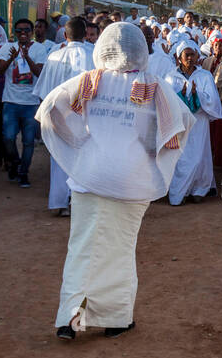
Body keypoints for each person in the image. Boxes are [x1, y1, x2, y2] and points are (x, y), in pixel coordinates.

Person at [38, 23, 193, 340]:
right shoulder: (153, 85)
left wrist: (80, 143)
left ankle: (70, 319)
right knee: (119, 250)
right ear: (141, 50)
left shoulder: (90, 80)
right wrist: (151, 150)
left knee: (81, 248)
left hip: (90, 175)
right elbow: (182, 123)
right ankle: (115, 318)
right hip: (131, 181)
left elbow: (51, 108)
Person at [35, 16, 95, 216]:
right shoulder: (94, 55)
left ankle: (60, 202)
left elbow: (43, 92)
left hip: (58, 115)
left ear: (65, 35)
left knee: (59, 158)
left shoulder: (54, 55)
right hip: (86, 115)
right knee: (84, 157)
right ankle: (79, 202)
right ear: (86, 34)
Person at [163, 40, 222, 205]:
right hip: (179, 123)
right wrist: (180, 96)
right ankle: (179, 192)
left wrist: (199, 96)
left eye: (193, 55)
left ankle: (199, 188)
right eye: (186, 55)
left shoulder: (205, 75)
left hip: (198, 122)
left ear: (198, 56)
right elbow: (166, 101)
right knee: (180, 158)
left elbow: (213, 101)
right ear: (179, 57)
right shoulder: (170, 76)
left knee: (198, 156)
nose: (190, 58)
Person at [0, 18, 47, 188]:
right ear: (15, 33)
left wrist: (27, 56)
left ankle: (23, 173)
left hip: (31, 103)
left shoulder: (40, 49)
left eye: (26, 30)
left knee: (28, 141)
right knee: (8, 138)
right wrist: (12, 58)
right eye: (19, 31)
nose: (22, 33)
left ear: (31, 32)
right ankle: (15, 162)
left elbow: (39, 72)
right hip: (10, 101)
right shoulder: (8, 47)